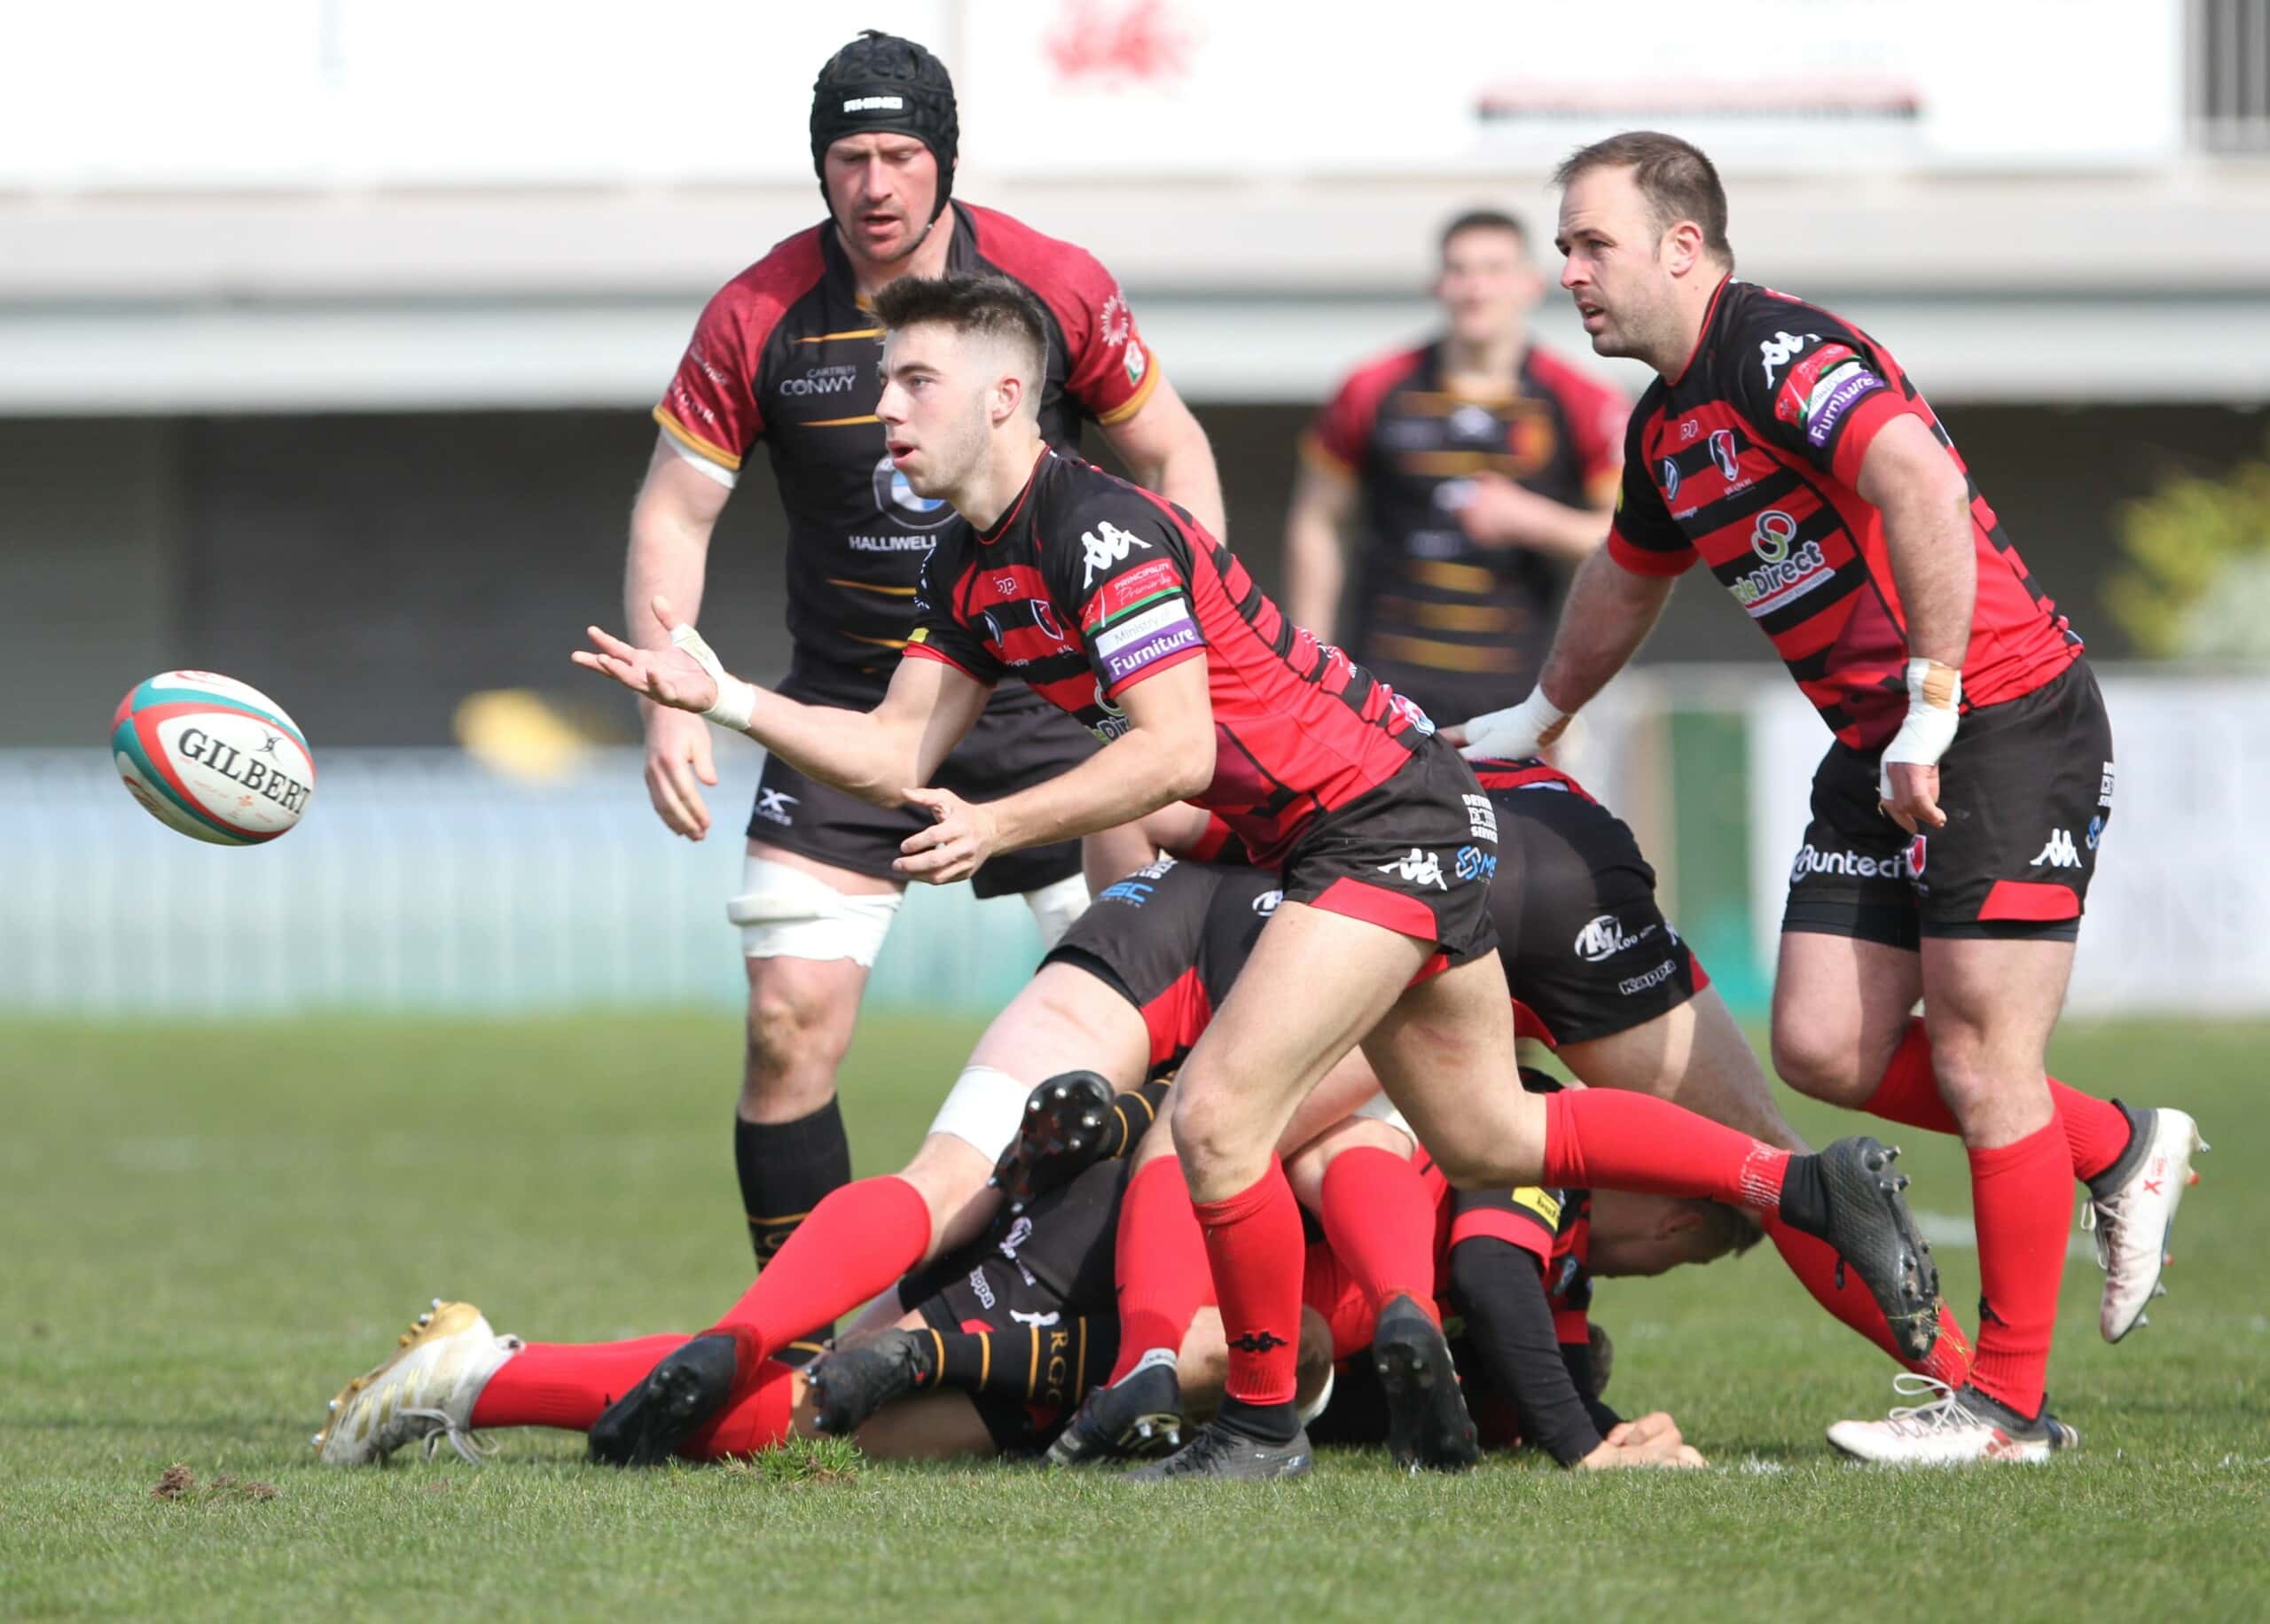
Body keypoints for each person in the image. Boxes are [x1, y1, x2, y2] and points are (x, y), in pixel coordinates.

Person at [571, 271, 1943, 1480]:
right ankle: (1800, 1187)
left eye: (913, 381)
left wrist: (998, 824)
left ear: (1004, 397)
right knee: (1484, 1137)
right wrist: (724, 695)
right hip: (1374, 828)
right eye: (884, 383)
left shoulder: (1098, 530)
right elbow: (890, 751)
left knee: (1218, 1120)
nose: (884, 409)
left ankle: (1263, 1422)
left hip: (1384, 824)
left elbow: (1174, 752)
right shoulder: (966, 563)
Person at [1453, 130, 2206, 1464]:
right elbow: (1627, 572)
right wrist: (1540, 712)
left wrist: (1934, 698)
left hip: (1997, 714)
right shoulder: (1666, 422)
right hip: (1879, 741)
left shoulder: (1771, 349)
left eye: (1590, 244)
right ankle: (2112, 1143)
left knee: (1980, 1056)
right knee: (1820, 1045)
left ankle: (2005, 1411)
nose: (1567, 272)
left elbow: (1918, 477)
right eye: (1564, 246)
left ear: (1682, 246)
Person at [627, 28, 1223, 1267]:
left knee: (1147, 1029)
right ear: (820, 166)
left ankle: (1123, 1316)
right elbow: (674, 512)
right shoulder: (757, 313)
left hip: (1055, 705)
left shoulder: (1050, 283)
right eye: (851, 158)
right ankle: (800, 1344)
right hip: (854, 713)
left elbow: (1173, 452)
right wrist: (670, 702)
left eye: (901, 155)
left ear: (944, 159)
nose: (876, 184)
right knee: (787, 1024)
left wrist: (1176, 663)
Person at [1283, 208, 1626, 725]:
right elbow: (1316, 520)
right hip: (1383, 684)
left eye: (1494, 270)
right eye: (1460, 271)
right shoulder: (1370, 387)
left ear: (1531, 284)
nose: (1476, 289)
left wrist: (1531, 520)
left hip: (1519, 695)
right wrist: (1308, 665)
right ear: (1436, 284)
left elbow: (1626, 541)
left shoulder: (1583, 399)